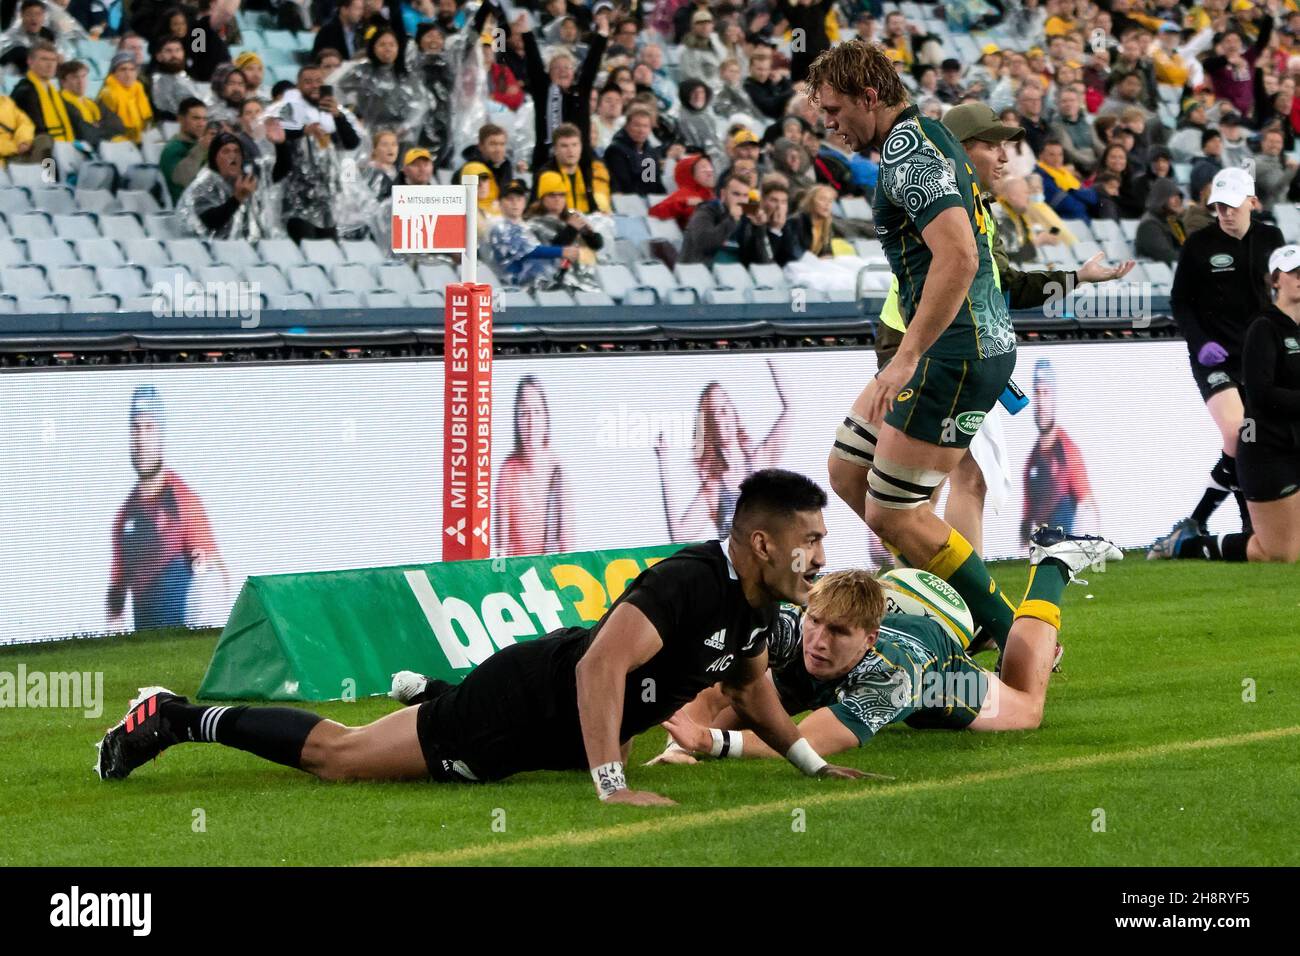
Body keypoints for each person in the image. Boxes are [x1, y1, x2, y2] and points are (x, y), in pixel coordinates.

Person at [97, 470, 866, 805]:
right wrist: (612, 786)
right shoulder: (687, 581)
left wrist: (807, 765)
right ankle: (175, 717)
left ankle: (433, 696)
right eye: (811, 538)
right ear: (763, 543)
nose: (821, 554)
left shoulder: (762, 600)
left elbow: (749, 683)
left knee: (598, 739)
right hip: (519, 705)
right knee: (342, 758)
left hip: (555, 728)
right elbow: (600, 668)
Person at [811, 40, 1023, 658]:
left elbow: (957, 257)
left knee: (895, 513)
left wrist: (905, 358)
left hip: (953, 352)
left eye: (834, 108)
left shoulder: (909, 151)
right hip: (950, 346)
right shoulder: (916, 142)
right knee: (848, 473)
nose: (830, 122)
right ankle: (943, 605)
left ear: (869, 96)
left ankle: (1009, 632)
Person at [655, 530, 1123, 763]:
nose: (818, 641)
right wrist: (682, 741)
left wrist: (710, 743)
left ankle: (1053, 564)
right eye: (815, 623)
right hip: (885, 629)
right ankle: (981, 631)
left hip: (934, 669)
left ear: (868, 637)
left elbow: (809, 739)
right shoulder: (789, 626)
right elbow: (721, 686)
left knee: (1026, 707)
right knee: (746, 686)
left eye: (837, 632)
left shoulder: (896, 677)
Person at [1151, 168, 1285, 558]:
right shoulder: (1198, 244)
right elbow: (1180, 301)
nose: (1225, 213)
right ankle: (1213, 520)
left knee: (1254, 439)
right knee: (1238, 434)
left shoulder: (1271, 238)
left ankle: (1206, 522)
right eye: (1218, 207)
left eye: (1231, 205)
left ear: (1252, 203)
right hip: (1214, 356)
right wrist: (1201, 342)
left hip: (1257, 354)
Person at [1155, 245, 1300, 564]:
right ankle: (1189, 546)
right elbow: (1261, 395)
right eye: (1294, 272)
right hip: (1268, 446)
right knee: (1280, 553)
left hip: (1294, 439)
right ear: (1276, 280)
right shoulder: (1264, 327)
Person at [105, 385, 228, 632]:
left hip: (182, 641)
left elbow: (214, 575)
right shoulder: (124, 517)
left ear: (160, 434)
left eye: (149, 427)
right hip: (146, 647)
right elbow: (117, 588)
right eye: (135, 428)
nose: (141, 439)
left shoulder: (183, 502)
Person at [655, 360, 791, 542]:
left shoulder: (760, 461)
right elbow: (679, 535)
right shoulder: (714, 489)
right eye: (718, 411)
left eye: (727, 405)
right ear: (711, 425)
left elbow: (790, 408)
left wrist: (769, 353)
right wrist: (663, 460)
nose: (726, 413)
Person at [269, 64, 362, 242]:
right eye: (308, 82)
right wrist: (305, 130)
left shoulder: (334, 111)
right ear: (298, 87)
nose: (314, 86)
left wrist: (338, 116)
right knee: (306, 252)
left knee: (329, 253)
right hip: (296, 199)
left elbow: (352, 143)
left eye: (318, 81)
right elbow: (280, 133)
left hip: (327, 199)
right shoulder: (288, 109)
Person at [1019, 358, 1100, 545]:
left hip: (1063, 548)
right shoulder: (1032, 459)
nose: (1040, 402)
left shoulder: (1067, 453)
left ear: (1054, 397)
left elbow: (1087, 506)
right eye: (1037, 393)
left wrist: (1082, 549)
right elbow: (1027, 516)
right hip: (1042, 550)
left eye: (1046, 393)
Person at [522, 4, 609, 178]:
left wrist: (603, 33)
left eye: (567, 67)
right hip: (547, 161)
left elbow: (592, 63)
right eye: (557, 67)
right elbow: (533, 62)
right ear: (549, 73)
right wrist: (526, 33)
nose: (563, 71)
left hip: (580, 164)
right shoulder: (543, 92)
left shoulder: (581, 90)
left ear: (573, 72)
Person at [495, 375, 573, 556]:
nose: (531, 421)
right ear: (516, 419)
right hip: (516, 575)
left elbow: (567, 546)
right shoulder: (508, 471)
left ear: (546, 417)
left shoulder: (557, 469)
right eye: (524, 412)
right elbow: (501, 549)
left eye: (537, 411)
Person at [176, 130, 275, 240]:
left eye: (237, 151)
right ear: (215, 157)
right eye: (226, 151)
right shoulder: (202, 185)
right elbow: (211, 222)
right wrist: (237, 199)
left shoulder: (246, 180)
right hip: (209, 250)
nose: (233, 156)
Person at [9, 40, 73, 145]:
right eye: (44, 59)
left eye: (53, 60)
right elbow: (37, 133)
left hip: (59, 149)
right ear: (30, 61)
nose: (50, 65)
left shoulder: (53, 91)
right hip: (39, 154)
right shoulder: (25, 92)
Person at [603, 105, 667, 196]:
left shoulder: (650, 152)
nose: (641, 130)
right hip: (628, 201)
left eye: (645, 126)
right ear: (627, 126)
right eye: (637, 125)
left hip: (648, 200)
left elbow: (653, 184)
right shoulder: (615, 151)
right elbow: (625, 185)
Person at [159, 98, 211, 204]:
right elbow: (183, 178)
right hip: (187, 210)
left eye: (204, 119)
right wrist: (201, 148)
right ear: (181, 119)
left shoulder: (202, 145)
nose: (201, 124)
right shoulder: (172, 149)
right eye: (196, 118)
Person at [97, 51, 153, 144]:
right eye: (123, 69)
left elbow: (147, 119)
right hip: (115, 142)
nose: (128, 74)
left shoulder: (138, 89)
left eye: (132, 69)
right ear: (113, 73)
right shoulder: (108, 94)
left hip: (139, 140)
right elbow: (110, 128)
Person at [145, 35, 201, 121]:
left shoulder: (189, 76)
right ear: (159, 56)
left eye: (178, 50)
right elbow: (164, 110)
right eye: (168, 51)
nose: (174, 55)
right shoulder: (156, 81)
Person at [1134, 178, 1187, 265]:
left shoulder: (1172, 220)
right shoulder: (1149, 225)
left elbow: (1184, 245)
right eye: (1172, 196)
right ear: (1160, 198)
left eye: (1179, 196)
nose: (1178, 200)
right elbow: (1166, 256)